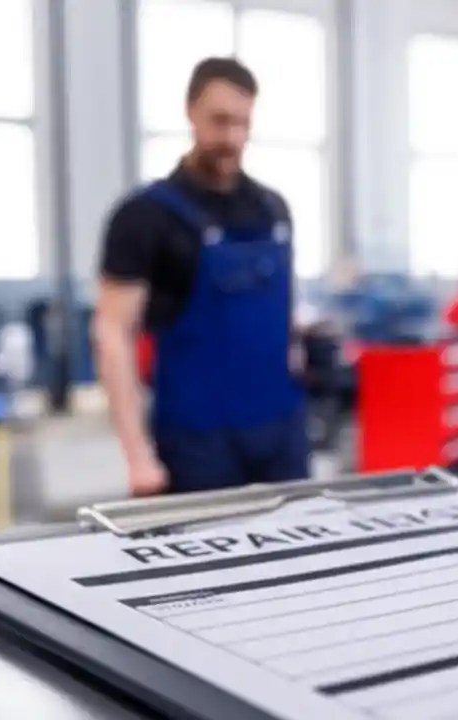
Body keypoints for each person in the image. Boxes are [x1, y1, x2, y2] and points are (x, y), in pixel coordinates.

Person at [94, 57, 309, 496]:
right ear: (190, 112)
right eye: (220, 121)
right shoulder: (145, 216)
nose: (232, 138)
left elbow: (285, 317)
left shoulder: (273, 209)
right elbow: (111, 334)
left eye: (243, 123)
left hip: (282, 433)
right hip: (196, 444)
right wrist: (137, 456)